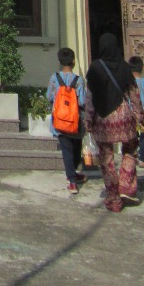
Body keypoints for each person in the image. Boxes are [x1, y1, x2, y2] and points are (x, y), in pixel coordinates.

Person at [85, 33, 144, 212]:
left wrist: (88, 119)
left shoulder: (95, 68)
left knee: (106, 159)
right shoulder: (125, 68)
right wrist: (140, 116)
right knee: (130, 150)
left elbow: (90, 98)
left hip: (103, 120)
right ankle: (126, 185)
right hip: (124, 117)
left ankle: (114, 198)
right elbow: (134, 95)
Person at [46, 46, 87, 195]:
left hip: (60, 120)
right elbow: (82, 101)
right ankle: (73, 176)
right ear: (73, 61)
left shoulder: (54, 78)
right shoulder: (79, 81)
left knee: (66, 150)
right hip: (75, 121)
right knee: (76, 147)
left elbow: (49, 97)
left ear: (60, 61)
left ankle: (72, 180)